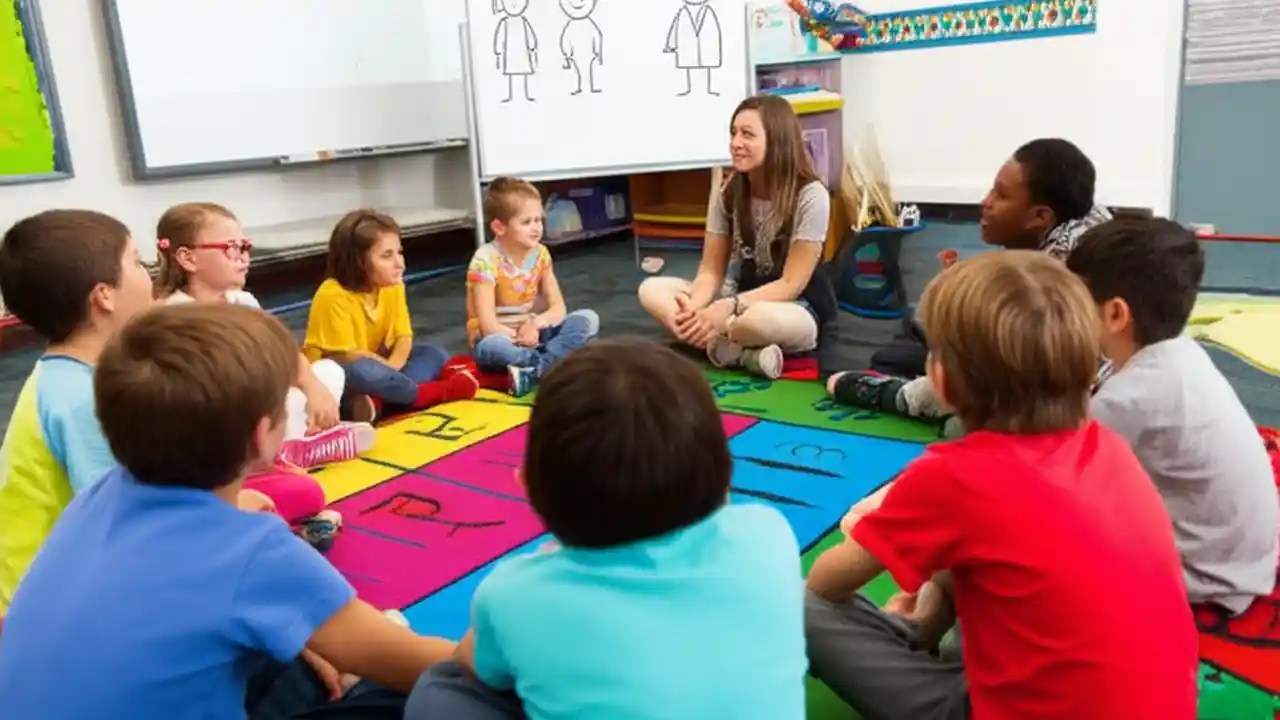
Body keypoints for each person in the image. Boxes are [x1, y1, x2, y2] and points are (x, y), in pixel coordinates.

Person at [0, 304, 456, 718]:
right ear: (262, 435)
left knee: (284, 650)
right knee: (438, 696)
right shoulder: (254, 553)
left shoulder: (96, 497)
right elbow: (423, 666)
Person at [805, 251, 1198, 720]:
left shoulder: (954, 475)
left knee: (796, 603)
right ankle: (924, 633)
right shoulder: (1107, 446)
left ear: (942, 381)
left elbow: (828, 583)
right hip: (1160, 705)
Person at [405, 340, 807, 719]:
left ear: (526, 486)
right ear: (726, 475)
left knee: (441, 688)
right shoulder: (768, 532)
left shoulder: (515, 593)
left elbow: (473, 664)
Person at [1067, 217, 1278, 615]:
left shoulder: (1127, 399)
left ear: (1115, 315)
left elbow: (1052, 475)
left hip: (1203, 577)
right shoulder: (1180, 353)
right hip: (1242, 560)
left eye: (1075, 303)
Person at [832, 138, 1114, 419]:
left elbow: (1012, 376)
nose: (985, 202)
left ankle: (893, 392)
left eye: (1001, 195)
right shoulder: (1079, 213)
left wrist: (896, 395)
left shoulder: (1059, 282)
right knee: (903, 346)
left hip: (1049, 394)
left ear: (1040, 216)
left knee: (961, 418)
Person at [0, 209, 153, 615]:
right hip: (49, 608)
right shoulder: (85, 399)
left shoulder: (66, 376)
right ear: (104, 295)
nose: (148, 271)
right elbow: (129, 527)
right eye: (137, 260)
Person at [154, 201, 371, 468]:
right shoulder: (174, 314)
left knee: (328, 372)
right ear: (188, 258)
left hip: (261, 406)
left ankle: (295, 444)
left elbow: (286, 351)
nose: (244, 257)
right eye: (231, 248)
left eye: (245, 247)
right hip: (220, 418)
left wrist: (313, 388)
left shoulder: (243, 300)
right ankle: (284, 451)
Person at [637, 94, 835, 379]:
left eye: (747, 135)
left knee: (756, 322)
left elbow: (791, 284)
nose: (735, 143)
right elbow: (709, 271)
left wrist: (728, 307)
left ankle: (719, 340)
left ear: (777, 140)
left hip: (794, 307)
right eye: (733, 133)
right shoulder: (728, 191)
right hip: (735, 298)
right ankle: (737, 352)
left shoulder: (811, 195)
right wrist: (694, 310)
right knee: (652, 290)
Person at [302, 209, 477, 420]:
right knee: (365, 371)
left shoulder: (393, 285)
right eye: (387, 255)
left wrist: (392, 369)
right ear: (358, 261)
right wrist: (388, 371)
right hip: (342, 374)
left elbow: (404, 336)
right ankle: (434, 392)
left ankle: (378, 403)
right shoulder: (332, 294)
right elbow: (347, 356)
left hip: (382, 367)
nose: (399, 263)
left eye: (399, 252)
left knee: (432, 353)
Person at [469, 177, 598, 397]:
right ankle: (552, 364)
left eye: (539, 220)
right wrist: (519, 338)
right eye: (526, 222)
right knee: (494, 347)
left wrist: (535, 324)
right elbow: (488, 324)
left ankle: (537, 368)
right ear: (500, 227)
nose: (536, 228)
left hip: (535, 335)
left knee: (588, 318)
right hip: (501, 339)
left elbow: (558, 308)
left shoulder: (541, 254)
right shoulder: (485, 260)